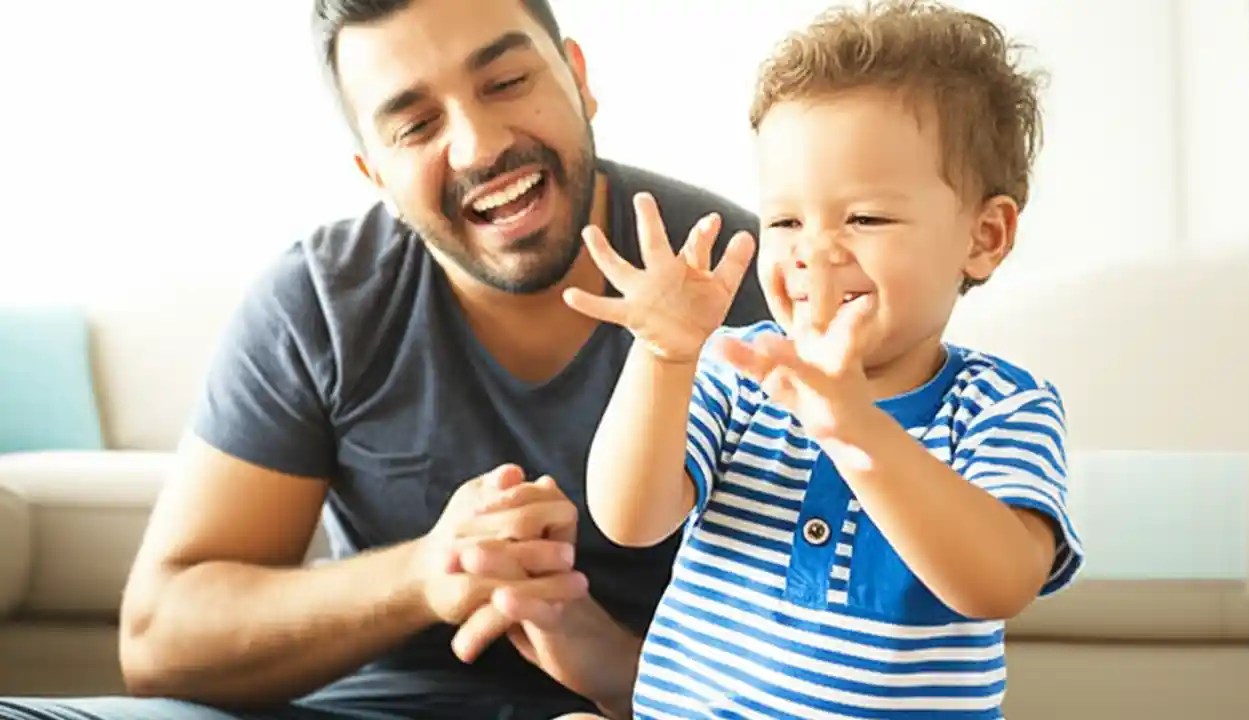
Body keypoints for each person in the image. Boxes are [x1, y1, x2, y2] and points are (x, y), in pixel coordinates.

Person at [0, 1, 767, 719]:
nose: (479, 146)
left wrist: (618, 663)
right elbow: (159, 643)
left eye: (506, 82)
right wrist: (426, 573)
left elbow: (830, 665)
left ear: (578, 77)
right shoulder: (322, 303)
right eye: (415, 125)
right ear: (376, 176)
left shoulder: (757, 277)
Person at [562, 1, 1085, 717]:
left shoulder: (1001, 406)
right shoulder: (740, 368)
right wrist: (662, 357)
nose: (814, 250)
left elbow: (1000, 583)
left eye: (865, 217)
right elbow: (628, 518)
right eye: (785, 220)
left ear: (984, 236)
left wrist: (856, 429)